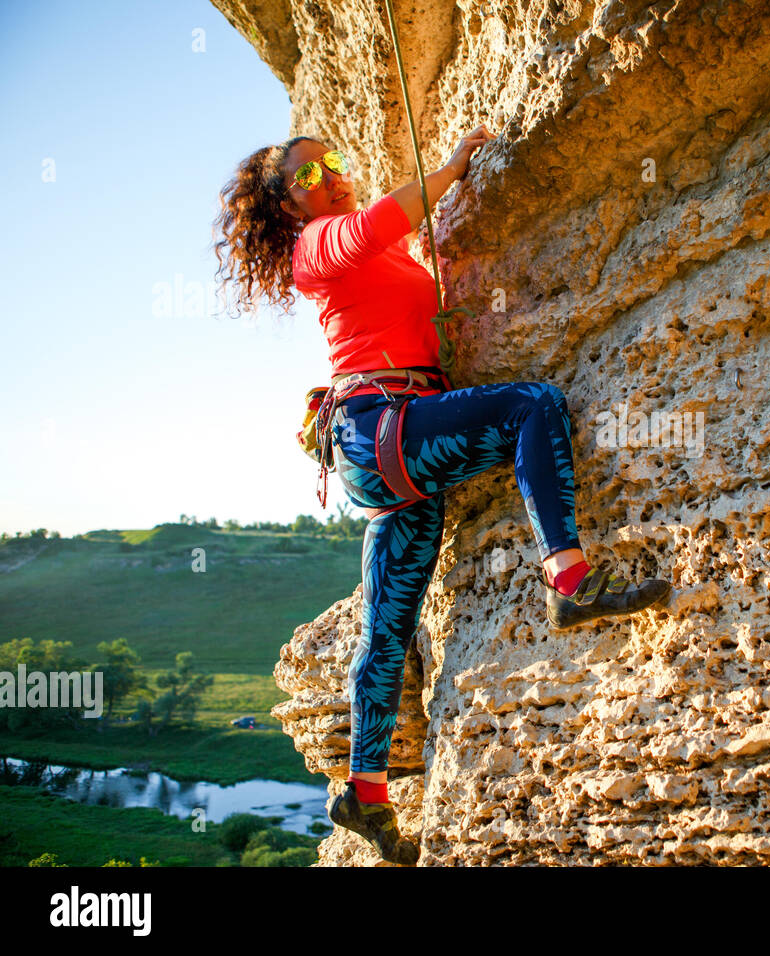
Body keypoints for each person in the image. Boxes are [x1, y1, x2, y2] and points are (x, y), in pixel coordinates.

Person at [212, 127, 671, 864]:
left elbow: (386, 257)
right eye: (309, 175)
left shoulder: (370, 252)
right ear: (289, 206)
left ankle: (365, 791)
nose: (331, 176)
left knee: (387, 627)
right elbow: (373, 224)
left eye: (335, 162)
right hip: (385, 428)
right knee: (533, 406)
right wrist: (454, 168)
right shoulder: (318, 245)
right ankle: (572, 577)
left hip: (391, 450)